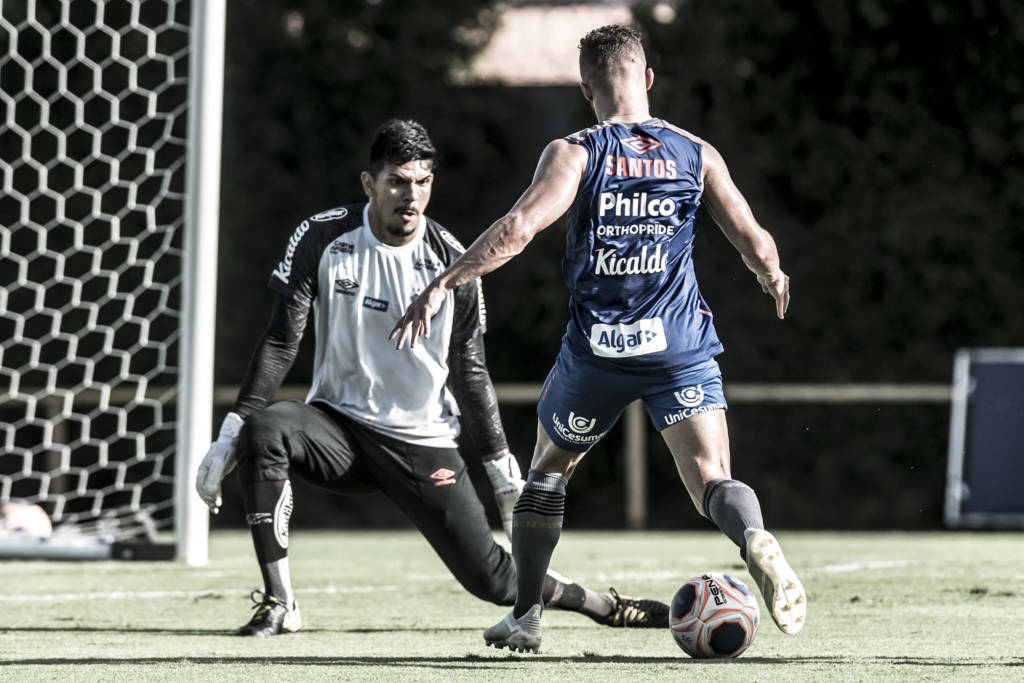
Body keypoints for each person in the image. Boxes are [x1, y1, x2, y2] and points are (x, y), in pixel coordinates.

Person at [391, 26, 807, 653]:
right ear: (647, 79)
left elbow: (518, 229)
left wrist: (444, 281)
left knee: (548, 474)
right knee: (713, 478)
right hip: (680, 346)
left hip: (600, 354)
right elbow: (752, 236)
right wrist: (770, 274)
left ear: (586, 87)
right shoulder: (696, 151)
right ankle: (752, 538)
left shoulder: (577, 152)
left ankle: (527, 615)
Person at [195, 118, 669, 637]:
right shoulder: (323, 238)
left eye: (422, 182)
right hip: (338, 432)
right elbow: (282, 342)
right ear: (368, 184)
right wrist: (229, 433)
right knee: (267, 430)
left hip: (422, 443)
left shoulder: (454, 262)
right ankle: (280, 603)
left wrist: (501, 472)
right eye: (398, 180)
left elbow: (470, 372)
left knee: (492, 579)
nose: (411, 195)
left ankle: (600, 605)